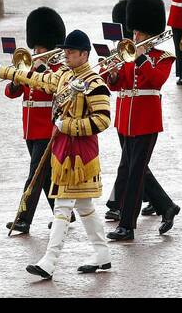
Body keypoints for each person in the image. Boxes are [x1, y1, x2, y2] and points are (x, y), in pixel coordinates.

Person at [12, 29, 114, 279]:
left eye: (70, 51)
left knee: (62, 205)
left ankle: (49, 260)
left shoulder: (94, 82)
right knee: (85, 206)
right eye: (66, 50)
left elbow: (102, 120)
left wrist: (67, 125)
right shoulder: (65, 75)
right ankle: (102, 254)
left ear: (83, 54)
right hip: (63, 149)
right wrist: (7, 72)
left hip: (80, 155)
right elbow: (40, 81)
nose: (65, 55)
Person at [105, 0, 180, 240]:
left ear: (150, 34)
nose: (134, 36)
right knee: (131, 169)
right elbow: (116, 85)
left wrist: (141, 59)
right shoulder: (128, 54)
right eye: (134, 32)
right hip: (124, 119)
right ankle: (166, 206)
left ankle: (127, 226)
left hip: (146, 121)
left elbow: (155, 81)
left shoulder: (163, 57)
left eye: (139, 33)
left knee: (136, 173)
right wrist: (113, 73)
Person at [4, 7, 65, 234]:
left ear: (49, 47)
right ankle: (64, 215)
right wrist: (16, 81)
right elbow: (11, 93)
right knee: (47, 177)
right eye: (35, 47)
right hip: (30, 127)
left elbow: (55, 90)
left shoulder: (57, 68)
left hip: (46, 128)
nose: (36, 51)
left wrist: (38, 71)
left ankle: (23, 218)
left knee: (35, 175)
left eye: (39, 47)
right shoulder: (29, 65)